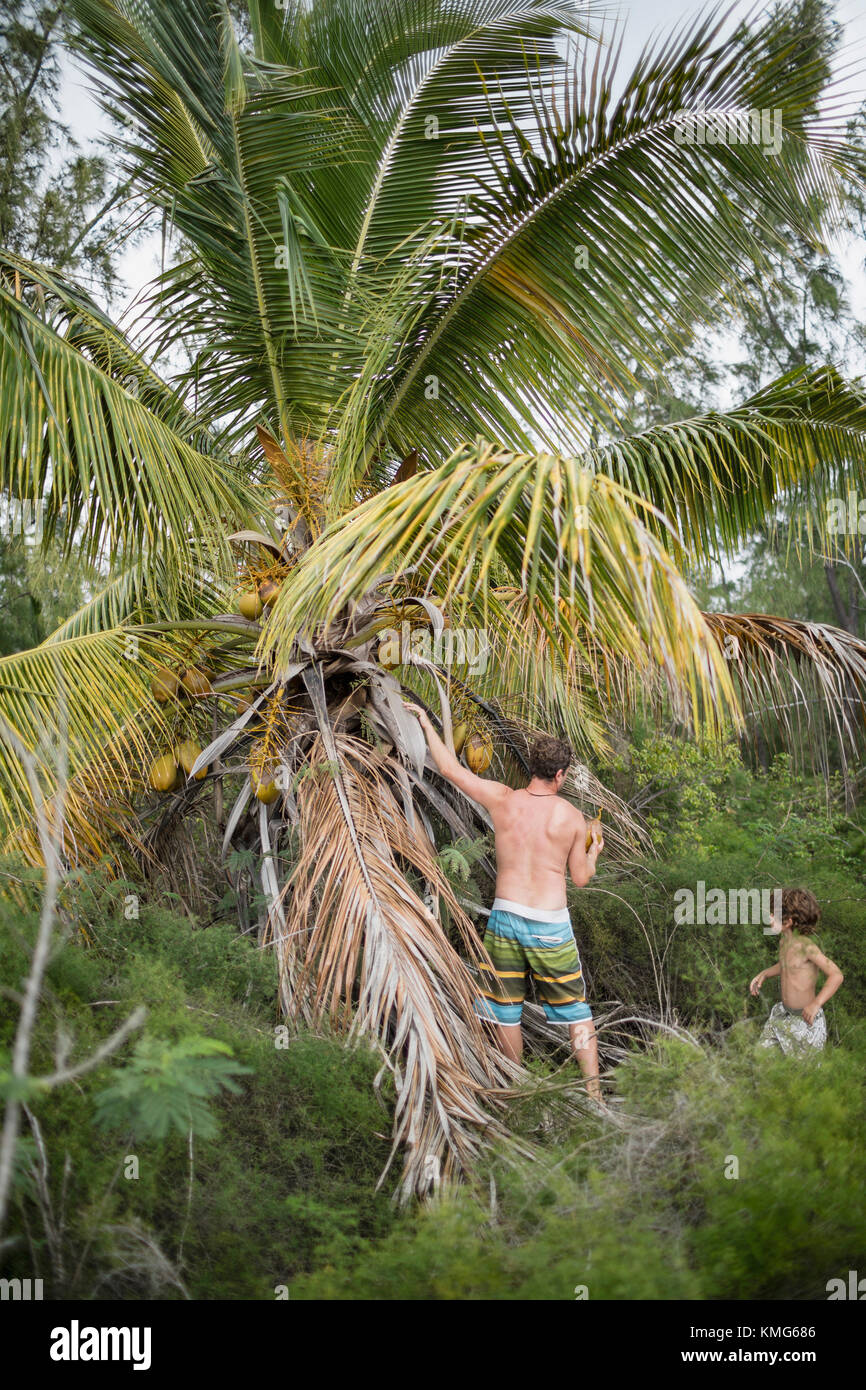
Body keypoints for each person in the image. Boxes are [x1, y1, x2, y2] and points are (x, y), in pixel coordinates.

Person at [403, 705, 604, 1100]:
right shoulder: (570, 817)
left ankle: (515, 1089)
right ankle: (594, 1097)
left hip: (505, 919)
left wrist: (426, 722)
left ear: (531, 767)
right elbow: (580, 879)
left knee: (504, 1010)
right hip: (549, 926)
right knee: (577, 1012)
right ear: (560, 775)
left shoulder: (502, 799)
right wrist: (594, 849)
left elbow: (450, 769)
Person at [750, 887, 843, 1056]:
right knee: (761, 1057)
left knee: (803, 1076)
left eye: (773, 914)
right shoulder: (783, 942)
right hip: (782, 1015)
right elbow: (785, 965)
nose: (769, 917)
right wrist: (765, 973)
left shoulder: (806, 946)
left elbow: (836, 975)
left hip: (805, 1022)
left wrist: (816, 1004)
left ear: (788, 921)